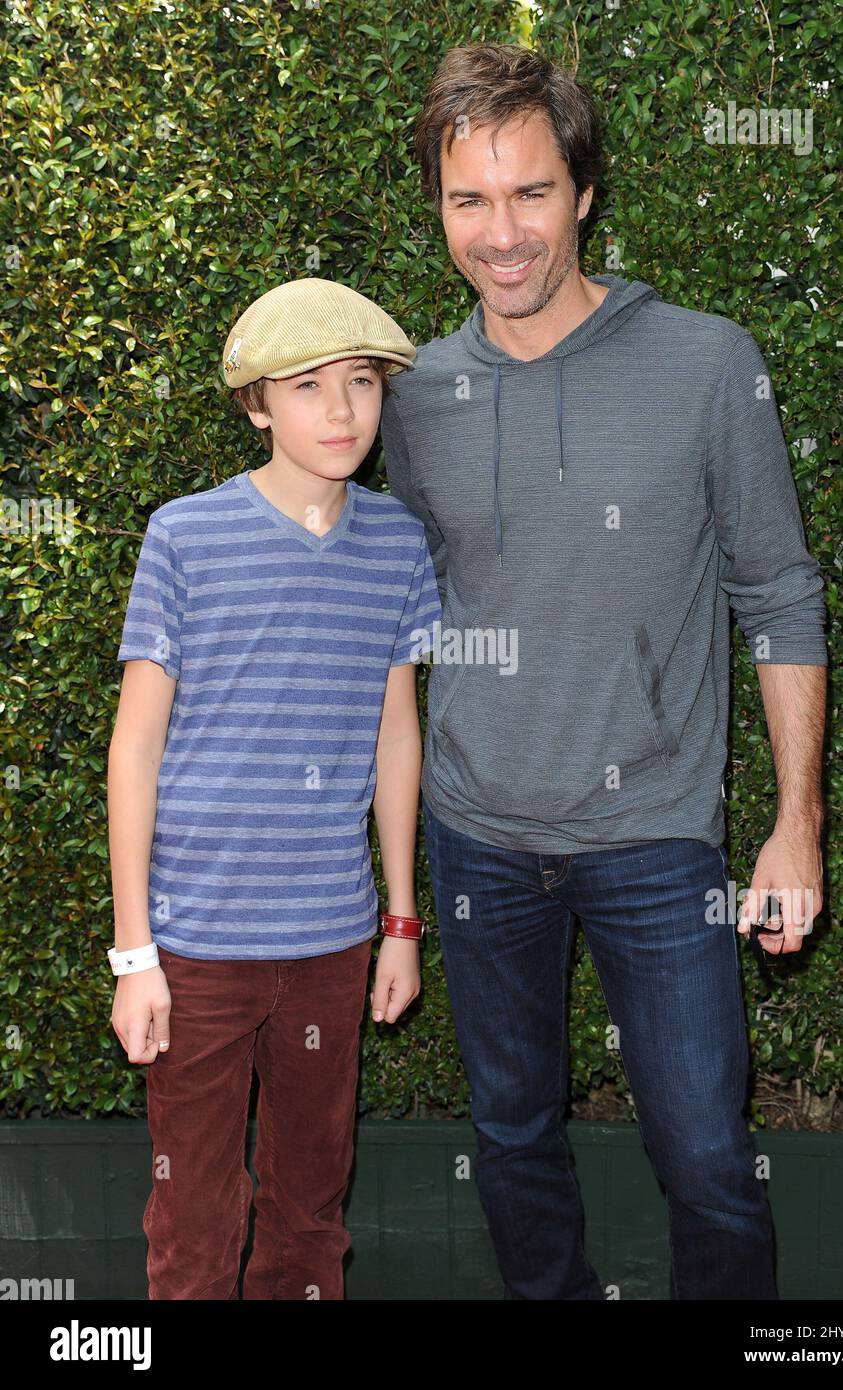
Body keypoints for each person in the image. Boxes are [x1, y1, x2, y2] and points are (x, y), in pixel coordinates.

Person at [381, 43, 828, 1300]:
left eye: (528, 192)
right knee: (512, 1143)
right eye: (468, 200)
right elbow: (402, 611)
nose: (501, 233)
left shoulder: (701, 361)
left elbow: (780, 593)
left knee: (705, 1156)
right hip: (477, 839)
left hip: (656, 839)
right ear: (438, 209)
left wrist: (795, 829)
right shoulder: (410, 395)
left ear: (583, 190)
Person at [107, 278, 443, 1300]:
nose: (341, 411)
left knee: (309, 1210)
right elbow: (133, 749)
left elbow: (396, 735)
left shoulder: (396, 543)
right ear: (255, 404)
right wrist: (136, 954)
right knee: (194, 1218)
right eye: (306, 386)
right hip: (196, 946)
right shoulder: (185, 537)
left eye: (361, 383)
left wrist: (398, 923)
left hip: (333, 945)